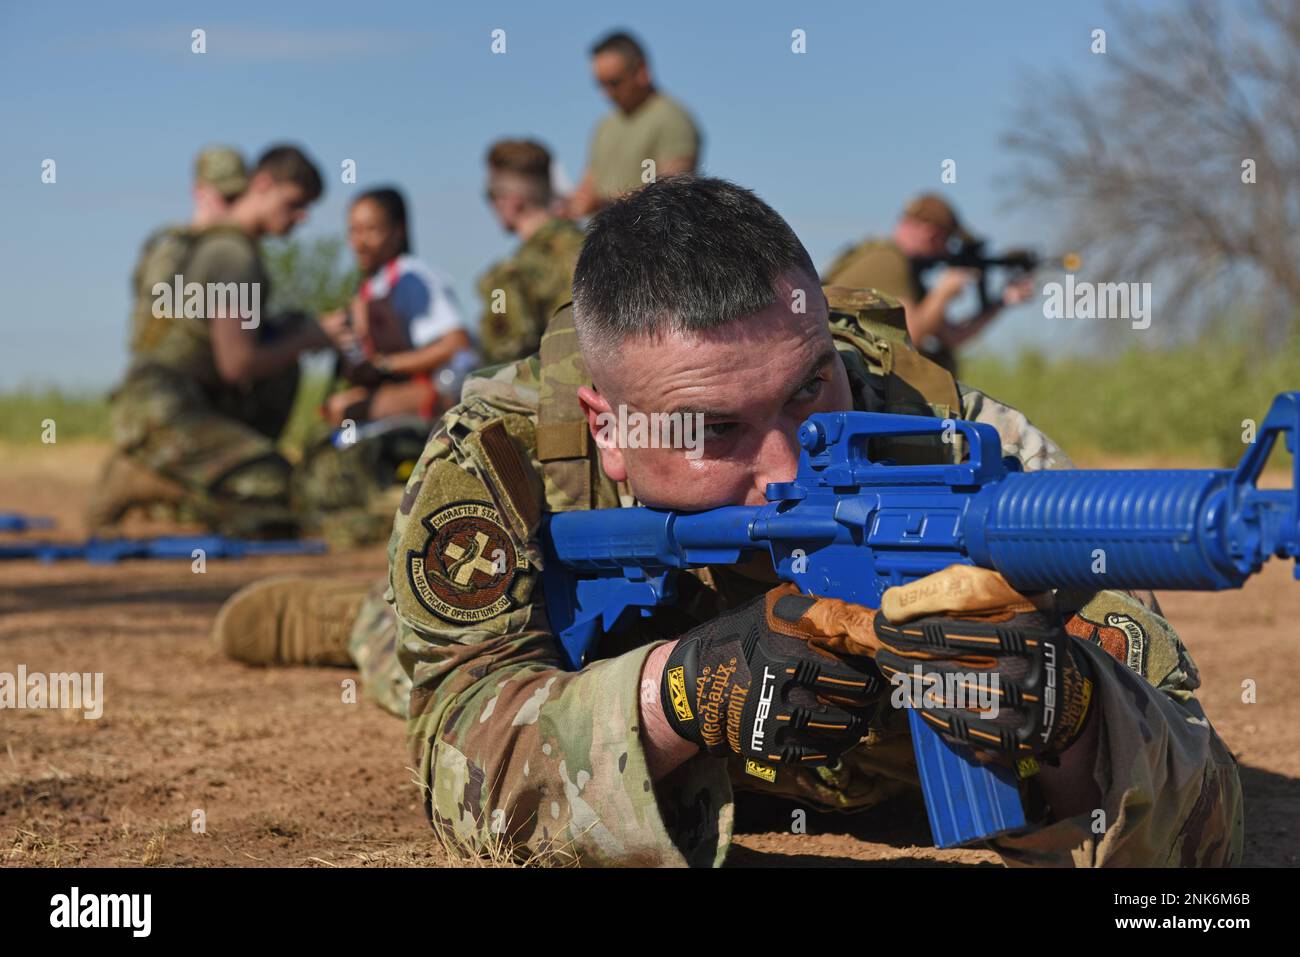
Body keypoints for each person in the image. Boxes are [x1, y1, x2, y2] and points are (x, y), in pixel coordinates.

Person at [213, 176, 1241, 867]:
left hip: (864, 755)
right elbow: (464, 763)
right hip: (575, 643)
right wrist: (681, 694)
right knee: (405, 650)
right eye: (713, 430)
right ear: (607, 430)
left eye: (808, 393)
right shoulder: (506, 464)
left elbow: (1209, 802)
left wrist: (1070, 725)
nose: (785, 468)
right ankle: (357, 619)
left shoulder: (964, 451)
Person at [87, 145, 330, 537]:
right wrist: (311, 338)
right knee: (279, 491)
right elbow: (239, 365)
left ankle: (191, 477)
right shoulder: (234, 256)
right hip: (168, 411)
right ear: (263, 184)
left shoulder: (222, 246)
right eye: (295, 203)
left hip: (165, 403)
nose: (302, 217)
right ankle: (144, 482)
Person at [823, 194, 1033, 374]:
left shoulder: (905, 269)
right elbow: (912, 335)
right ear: (930, 234)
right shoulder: (887, 259)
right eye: (944, 241)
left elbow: (952, 337)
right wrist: (942, 293)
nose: (946, 251)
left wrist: (1002, 302)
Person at [318, 188, 476, 426]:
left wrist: (385, 365)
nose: (359, 242)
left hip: (438, 389)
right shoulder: (371, 286)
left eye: (371, 230)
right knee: (333, 407)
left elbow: (458, 344)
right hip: (400, 386)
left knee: (344, 409)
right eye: (353, 231)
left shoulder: (412, 277)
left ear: (398, 231)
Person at [561, 31, 701, 218]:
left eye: (614, 82)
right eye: (600, 85)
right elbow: (588, 188)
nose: (606, 94)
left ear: (642, 70)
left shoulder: (672, 119)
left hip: (648, 243)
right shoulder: (605, 126)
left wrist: (604, 202)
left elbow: (670, 196)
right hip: (603, 242)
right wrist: (572, 204)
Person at [127, 147, 249, 358]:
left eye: (240, 197)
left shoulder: (227, 248)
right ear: (199, 191)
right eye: (227, 198)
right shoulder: (173, 250)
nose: (235, 207)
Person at [477, 139, 586, 365]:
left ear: (513, 202)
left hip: (561, 392)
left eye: (491, 195)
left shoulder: (511, 273)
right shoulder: (598, 245)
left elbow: (503, 357)